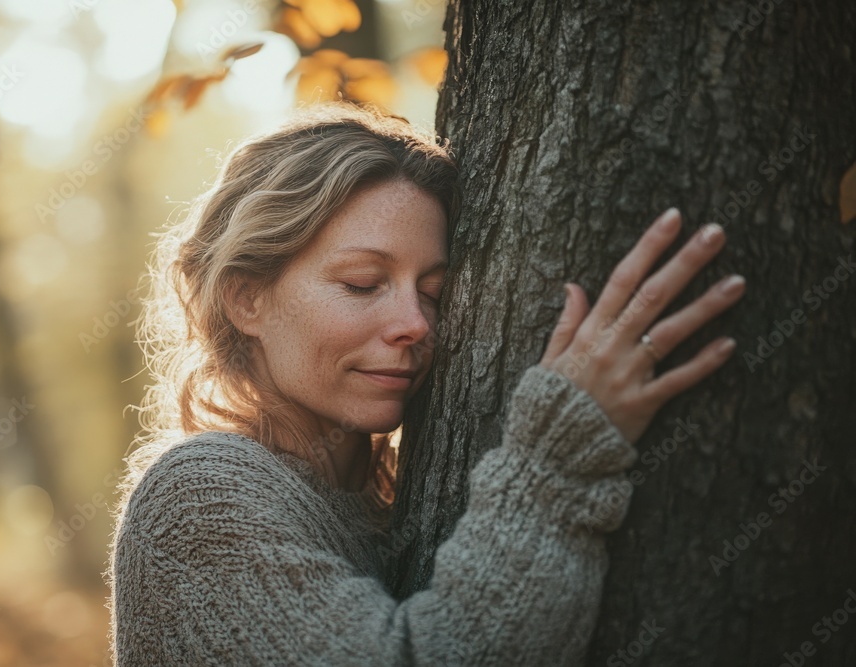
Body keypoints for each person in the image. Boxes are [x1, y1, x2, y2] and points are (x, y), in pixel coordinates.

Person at [105, 101, 746, 665]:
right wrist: (560, 457)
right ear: (247, 298)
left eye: (436, 294)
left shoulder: (381, 504)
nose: (415, 324)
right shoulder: (196, 497)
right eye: (361, 284)